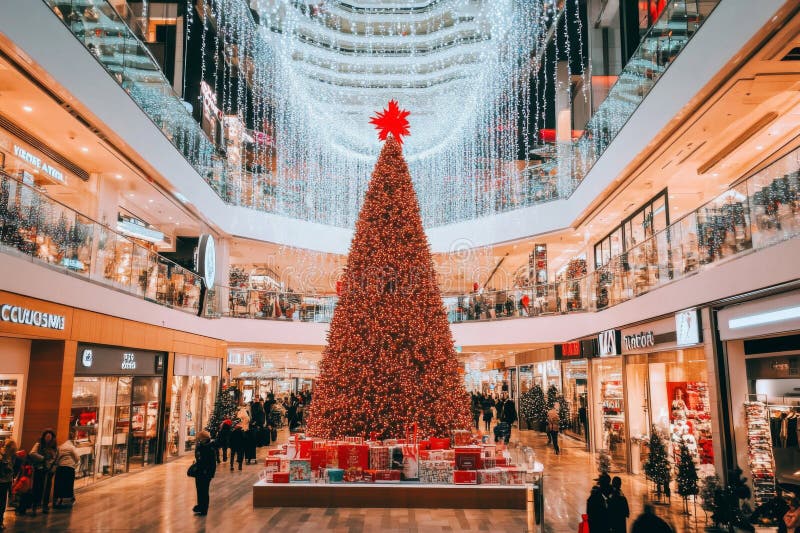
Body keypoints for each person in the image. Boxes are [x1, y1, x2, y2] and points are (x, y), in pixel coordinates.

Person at [29, 428, 58, 514]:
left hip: (49, 471)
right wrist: (43, 458)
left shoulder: (54, 447)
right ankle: (34, 506)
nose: (48, 438)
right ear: (44, 436)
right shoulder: (38, 445)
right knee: (37, 487)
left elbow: (55, 458)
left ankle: (44, 506)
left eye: (50, 436)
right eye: (47, 436)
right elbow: (32, 453)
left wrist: (53, 467)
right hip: (40, 469)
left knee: (47, 489)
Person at [53, 432, 80, 508]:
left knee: (59, 484)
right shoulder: (71, 447)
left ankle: (58, 500)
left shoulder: (60, 447)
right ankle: (67, 501)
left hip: (60, 468)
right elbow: (77, 458)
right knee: (68, 485)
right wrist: (75, 464)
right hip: (69, 468)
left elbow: (56, 458)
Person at [192, 431, 216, 516]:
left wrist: (210, 473)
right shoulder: (204, 446)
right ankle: (200, 506)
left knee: (203, 491)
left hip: (204, 472)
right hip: (201, 471)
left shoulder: (208, 447)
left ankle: (203, 508)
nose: (198, 439)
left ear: (203, 438)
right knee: (200, 490)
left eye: (199, 438)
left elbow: (210, 462)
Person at [0, 439, 16, 529]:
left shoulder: (12, 457)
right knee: (2, 502)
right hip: (4, 481)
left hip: (7, 481)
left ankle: (0, 521)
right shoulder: (3, 456)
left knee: (2, 502)